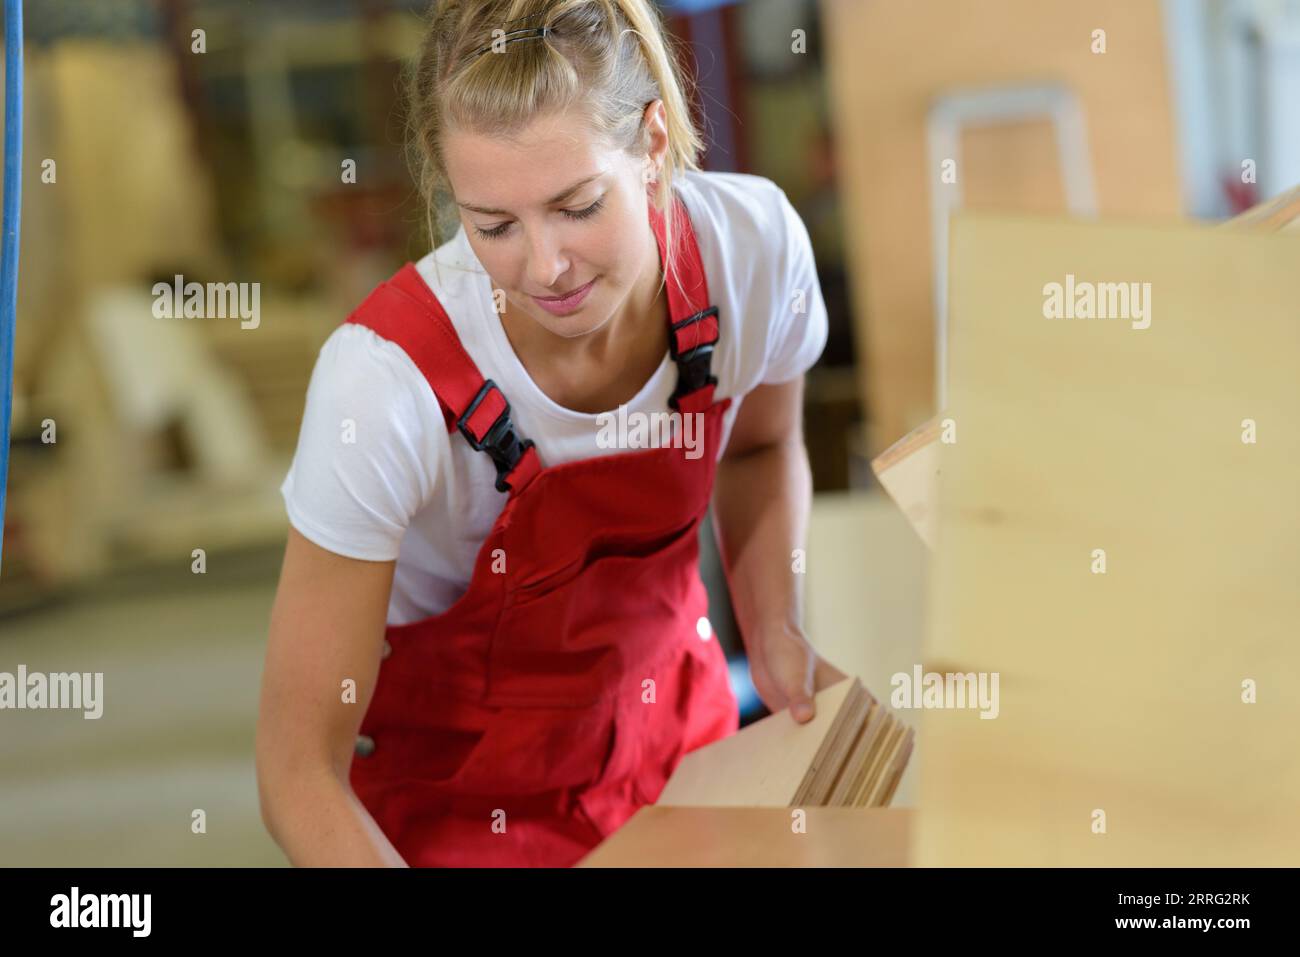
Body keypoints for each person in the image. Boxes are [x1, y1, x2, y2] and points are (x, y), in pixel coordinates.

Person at [256, 0, 846, 868]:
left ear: (651, 145)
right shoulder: (382, 382)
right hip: (459, 817)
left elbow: (758, 447)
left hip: (680, 764)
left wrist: (776, 629)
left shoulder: (748, 251)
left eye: (576, 207)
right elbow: (296, 772)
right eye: (492, 225)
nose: (545, 267)